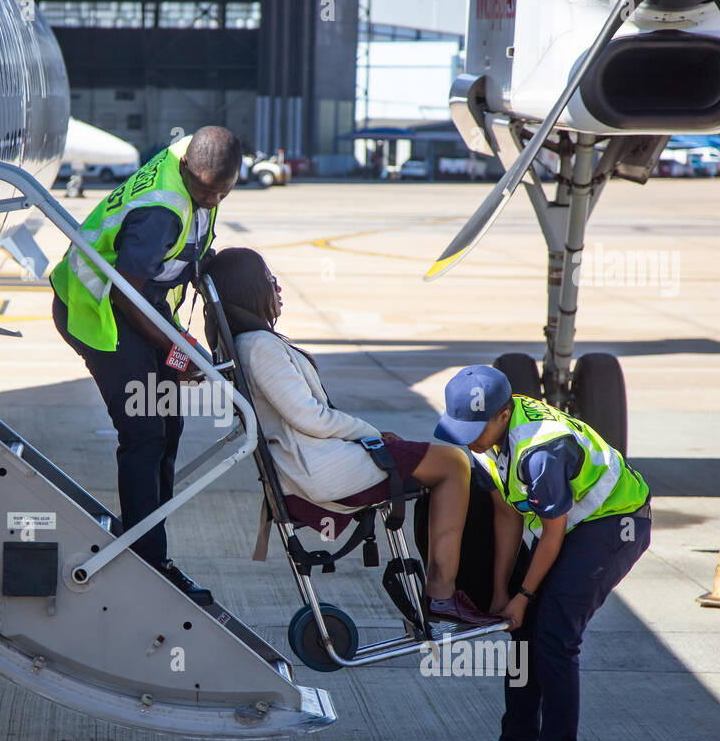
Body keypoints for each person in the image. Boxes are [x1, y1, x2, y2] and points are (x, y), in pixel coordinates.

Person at [202, 248, 501, 627]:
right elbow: (309, 417)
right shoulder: (259, 347)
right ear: (248, 289)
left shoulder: (253, 343)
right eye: (267, 279)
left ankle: (443, 589)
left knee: (438, 464)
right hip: (317, 468)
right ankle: (442, 594)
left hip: (314, 460)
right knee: (454, 463)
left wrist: (372, 438)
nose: (276, 286)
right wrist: (371, 435)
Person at [434, 365, 652, 741]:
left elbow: (551, 535)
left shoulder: (540, 450)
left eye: (475, 429)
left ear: (502, 415)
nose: (468, 439)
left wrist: (525, 595)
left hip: (613, 523)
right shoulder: (489, 436)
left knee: (553, 636)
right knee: (525, 634)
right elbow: (508, 513)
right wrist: (502, 592)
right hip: (571, 528)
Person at [50, 126, 242, 605]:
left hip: (143, 311)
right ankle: (148, 562)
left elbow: (184, 257)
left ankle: (148, 538)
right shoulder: (163, 209)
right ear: (185, 171)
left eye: (221, 191)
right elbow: (125, 291)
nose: (211, 199)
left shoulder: (196, 167)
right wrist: (179, 352)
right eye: (203, 191)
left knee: (169, 426)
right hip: (98, 312)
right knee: (144, 432)